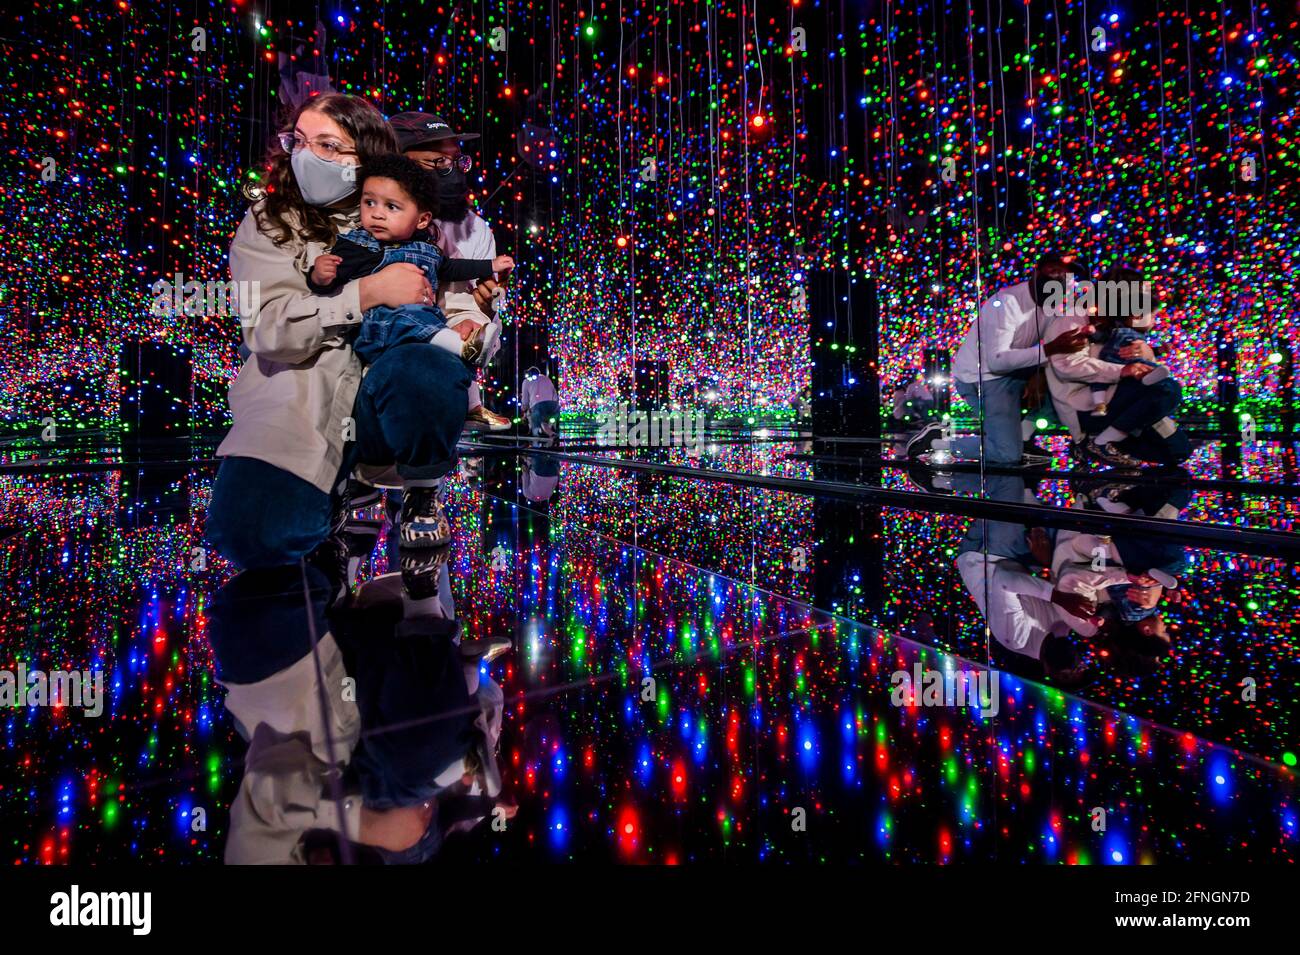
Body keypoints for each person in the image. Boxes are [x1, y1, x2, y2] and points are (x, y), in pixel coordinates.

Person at [205, 93, 472, 614]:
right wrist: (364, 294)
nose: (309, 156)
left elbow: (457, 298)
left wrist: (472, 320)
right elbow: (269, 330)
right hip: (303, 401)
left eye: (328, 146)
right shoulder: (268, 222)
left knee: (428, 365)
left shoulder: (408, 216)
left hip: (380, 397)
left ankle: (418, 492)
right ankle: (333, 496)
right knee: (254, 538)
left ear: (366, 156)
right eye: (299, 142)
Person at [305, 153, 513, 375]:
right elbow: (332, 284)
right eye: (369, 203)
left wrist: (490, 265)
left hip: (422, 326)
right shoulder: (359, 245)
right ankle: (461, 346)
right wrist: (319, 276)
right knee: (410, 321)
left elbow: (453, 268)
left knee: (431, 347)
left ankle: (461, 358)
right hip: (380, 328)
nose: (377, 214)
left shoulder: (428, 248)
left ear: (422, 220)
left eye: (391, 206)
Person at [908, 252, 1091, 466]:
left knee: (1062, 382)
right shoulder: (1006, 302)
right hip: (983, 378)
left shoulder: (1053, 305)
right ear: (1036, 272)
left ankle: (1023, 438)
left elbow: (1050, 349)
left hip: (1013, 371)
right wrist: (1049, 351)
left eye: (1066, 276)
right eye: (1054, 271)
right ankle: (939, 441)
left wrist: (1040, 373)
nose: (1060, 278)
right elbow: (998, 361)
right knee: (1007, 454)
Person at [392, 112, 512, 433]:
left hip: (440, 390)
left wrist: (485, 311)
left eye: (458, 162)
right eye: (438, 162)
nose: (452, 172)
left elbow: (486, 321)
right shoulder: (371, 216)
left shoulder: (475, 229)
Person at [1050, 265, 1191, 467]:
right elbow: (1068, 365)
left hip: (1123, 400)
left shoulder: (1122, 324)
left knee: (1179, 452)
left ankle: (1103, 440)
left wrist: (1147, 352)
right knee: (1168, 389)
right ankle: (1098, 442)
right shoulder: (1075, 319)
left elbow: (1143, 367)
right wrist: (1122, 371)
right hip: (1089, 405)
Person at [521, 365, 559, 437]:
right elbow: (554, 393)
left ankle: (536, 438)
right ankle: (552, 433)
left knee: (536, 424)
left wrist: (524, 408)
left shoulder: (526, 381)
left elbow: (525, 399)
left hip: (538, 406)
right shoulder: (546, 378)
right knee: (546, 422)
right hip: (554, 405)